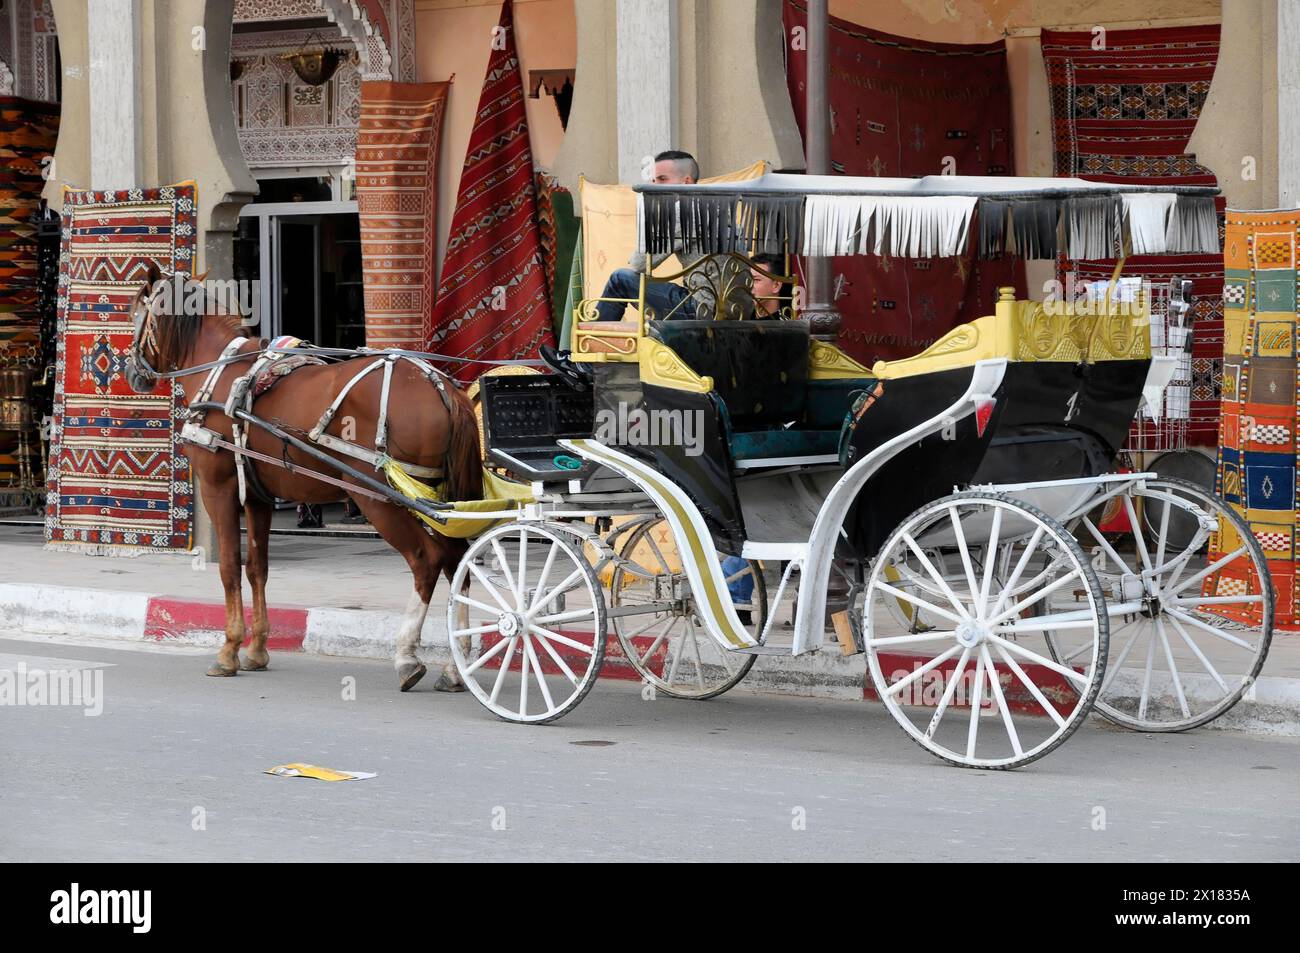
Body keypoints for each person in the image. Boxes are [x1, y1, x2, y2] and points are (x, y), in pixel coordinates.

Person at [593, 150, 712, 322]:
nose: (655, 187)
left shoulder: (685, 211)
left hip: (702, 309)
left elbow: (638, 264)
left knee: (619, 279)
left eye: (663, 179)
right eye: (654, 181)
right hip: (734, 308)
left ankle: (586, 345)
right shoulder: (715, 206)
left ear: (686, 181)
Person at [748, 253, 794, 318]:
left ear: (776, 285)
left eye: (756, 280)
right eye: (748, 279)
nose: (749, 285)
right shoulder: (743, 318)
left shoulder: (787, 324)